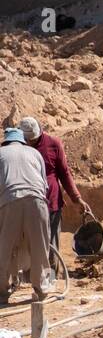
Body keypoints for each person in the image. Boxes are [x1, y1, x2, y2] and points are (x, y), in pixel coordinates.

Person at [19, 116, 89, 251]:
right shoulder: (17, 147)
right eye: (28, 140)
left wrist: (77, 198)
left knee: (52, 247)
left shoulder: (53, 143)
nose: (31, 142)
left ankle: (52, 270)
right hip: (26, 205)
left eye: (34, 139)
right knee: (30, 249)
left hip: (51, 203)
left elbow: (64, 173)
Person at [0, 127, 52, 304]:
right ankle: (42, 289)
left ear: (5, 140)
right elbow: (44, 185)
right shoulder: (35, 153)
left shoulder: (1, 153)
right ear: (22, 141)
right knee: (40, 247)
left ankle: (2, 292)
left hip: (9, 201)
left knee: (4, 248)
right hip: (37, 201)